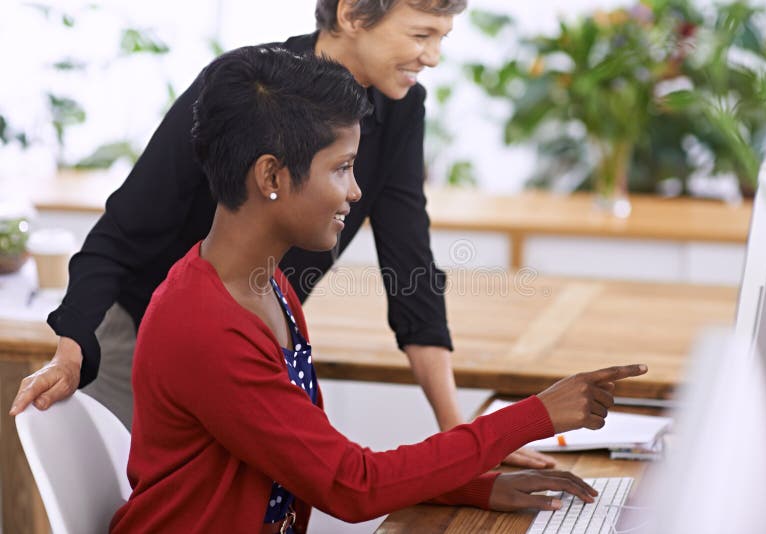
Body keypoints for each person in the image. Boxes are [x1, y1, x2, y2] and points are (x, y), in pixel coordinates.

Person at [110, 45, 647, 533]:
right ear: (271, 177)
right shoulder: (205, 322)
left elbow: (317, 465)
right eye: (341, 168)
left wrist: (475, 486)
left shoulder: (267, 285)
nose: (356, 191)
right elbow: (350, 484)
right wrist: (535, 415)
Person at [10, 0, 557, 469]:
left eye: (441, 37)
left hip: (257, 342)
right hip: (146, 333)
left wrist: (456, 430)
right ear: (351, 13)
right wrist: (72, 344)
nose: (433, 56)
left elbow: (410, 266)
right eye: (421, 34)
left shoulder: (400, 106)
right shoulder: (247, 89)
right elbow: (120, 233)